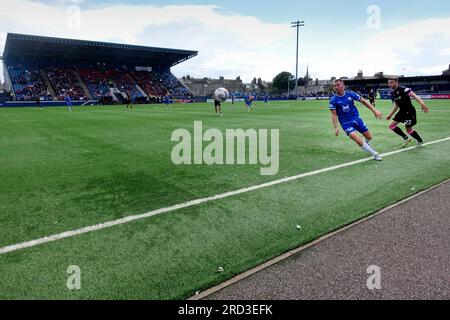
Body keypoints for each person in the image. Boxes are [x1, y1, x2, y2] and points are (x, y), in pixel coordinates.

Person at [329, 79, 384, 161]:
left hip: (357, 119)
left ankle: (367, 143)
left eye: (338, 85)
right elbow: (334, 115)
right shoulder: (333, 100)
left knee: (369, 137)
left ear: (343, 86)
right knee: (356, 139)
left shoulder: (350, 94)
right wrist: (336, 127)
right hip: (346, 123)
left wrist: (375, 111)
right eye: (335, 86)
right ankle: (375, 154)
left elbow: (364, 101)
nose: (336, 87)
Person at [386, 77, 430, 148]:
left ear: (396, 82)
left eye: (391, 82)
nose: (390, 84)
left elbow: (415, 96)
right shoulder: (393, 92)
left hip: (409, 111)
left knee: (409, 130)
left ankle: (420, 141)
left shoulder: (404, 89)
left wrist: (422, 104)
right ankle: (406, 138)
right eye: (388, 82)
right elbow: (396, 104)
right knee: (391, 126)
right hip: (401, 111)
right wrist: (390, 114)